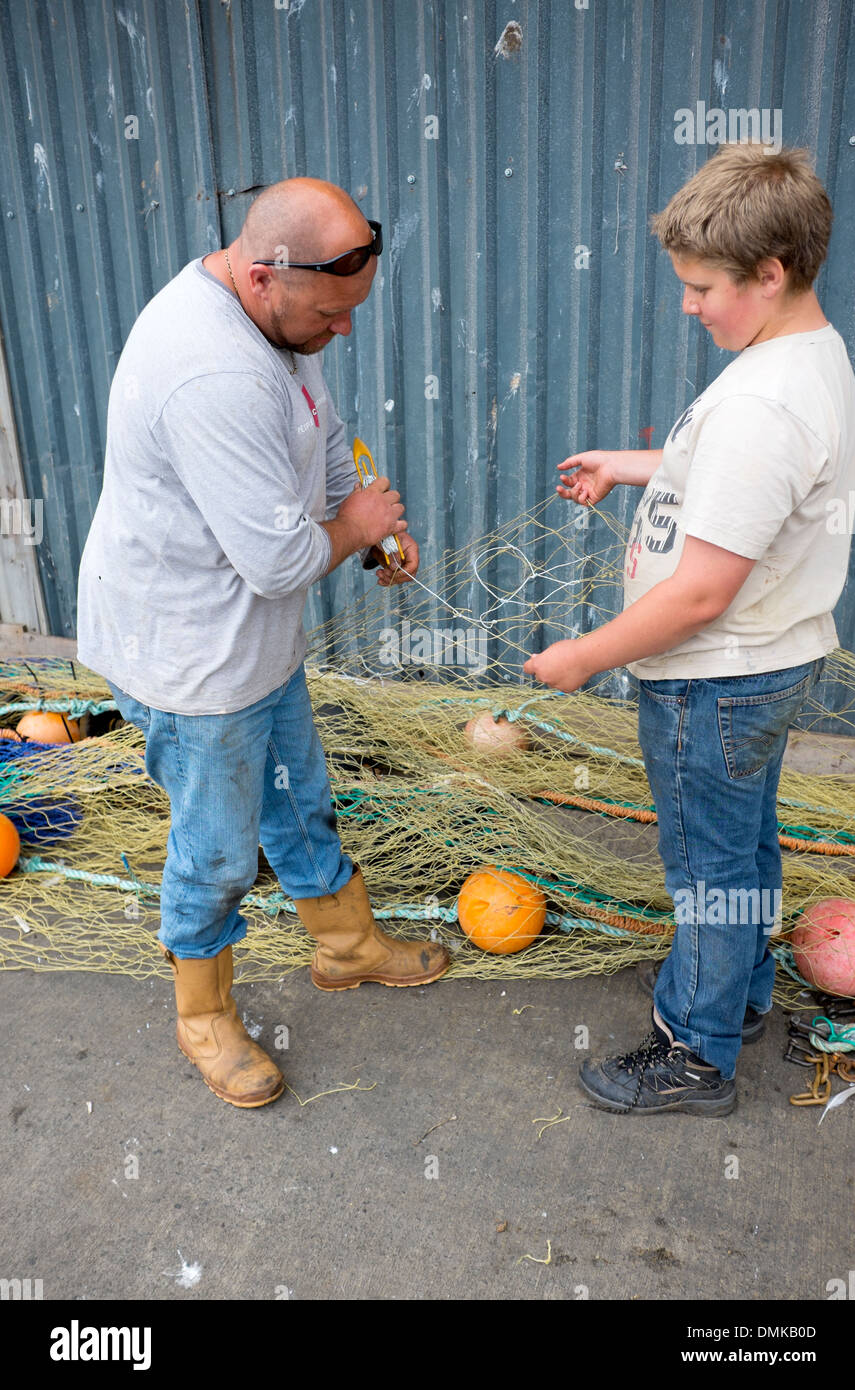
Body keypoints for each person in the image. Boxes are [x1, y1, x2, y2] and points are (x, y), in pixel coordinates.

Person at [76, 178, 449, 1110]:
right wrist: (352, 528)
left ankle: (346, 946)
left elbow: (320, 442)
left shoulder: (286, 323)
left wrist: (366, 520)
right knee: (215, 850)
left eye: (349, 312)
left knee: (299, 795)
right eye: (330, 314)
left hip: (255, 645)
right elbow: (281, 562)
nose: (343, 332)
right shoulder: (212, 370)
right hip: (191, 655)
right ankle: (203, 1016)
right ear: (260, 275)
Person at [524, 144, 855, 1115]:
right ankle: (739, 994)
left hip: (711, 676)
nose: (686, 306)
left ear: (769, 272)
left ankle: (694, 1053)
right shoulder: (802, 358)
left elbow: (700, 593)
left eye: (699, 287)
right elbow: (733, 484)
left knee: (707, 874)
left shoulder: (766, 400)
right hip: (763, 665)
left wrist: (581, 656)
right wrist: (632, 466)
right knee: (744, 848)